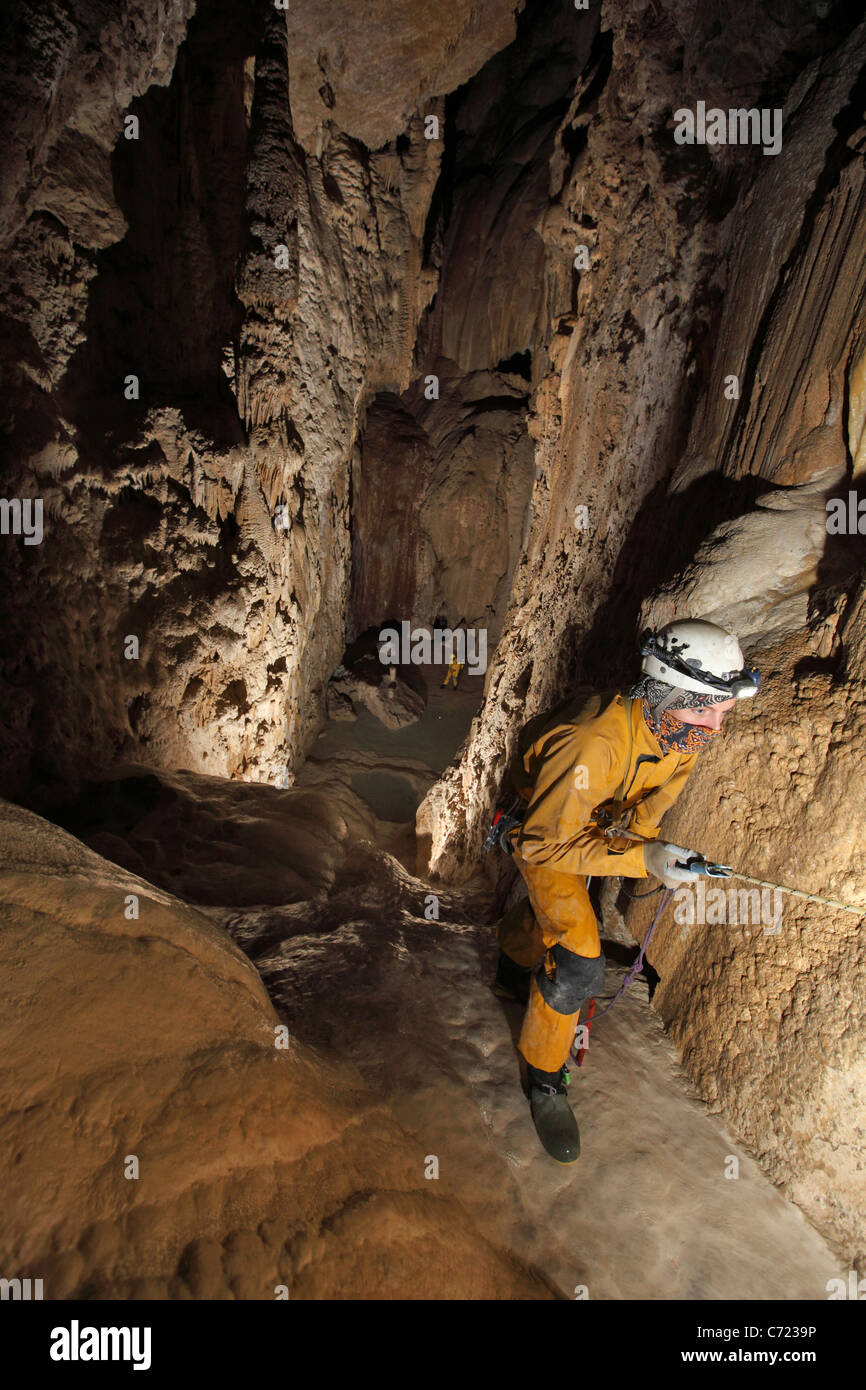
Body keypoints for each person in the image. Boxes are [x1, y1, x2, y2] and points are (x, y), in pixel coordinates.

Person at [494, 619, 761, 1163]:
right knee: (578, 959)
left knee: (567, 921)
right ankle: (544, 1080)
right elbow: (547, 845)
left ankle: (510, 956)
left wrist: (658, 852)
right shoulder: (592, 742)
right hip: (542, 831)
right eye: (704, 709)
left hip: (590, 824)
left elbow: (650, 808)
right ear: (664, 694)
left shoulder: (677, 733)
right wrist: (642, 856)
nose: (714, 727)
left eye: (721, 712)